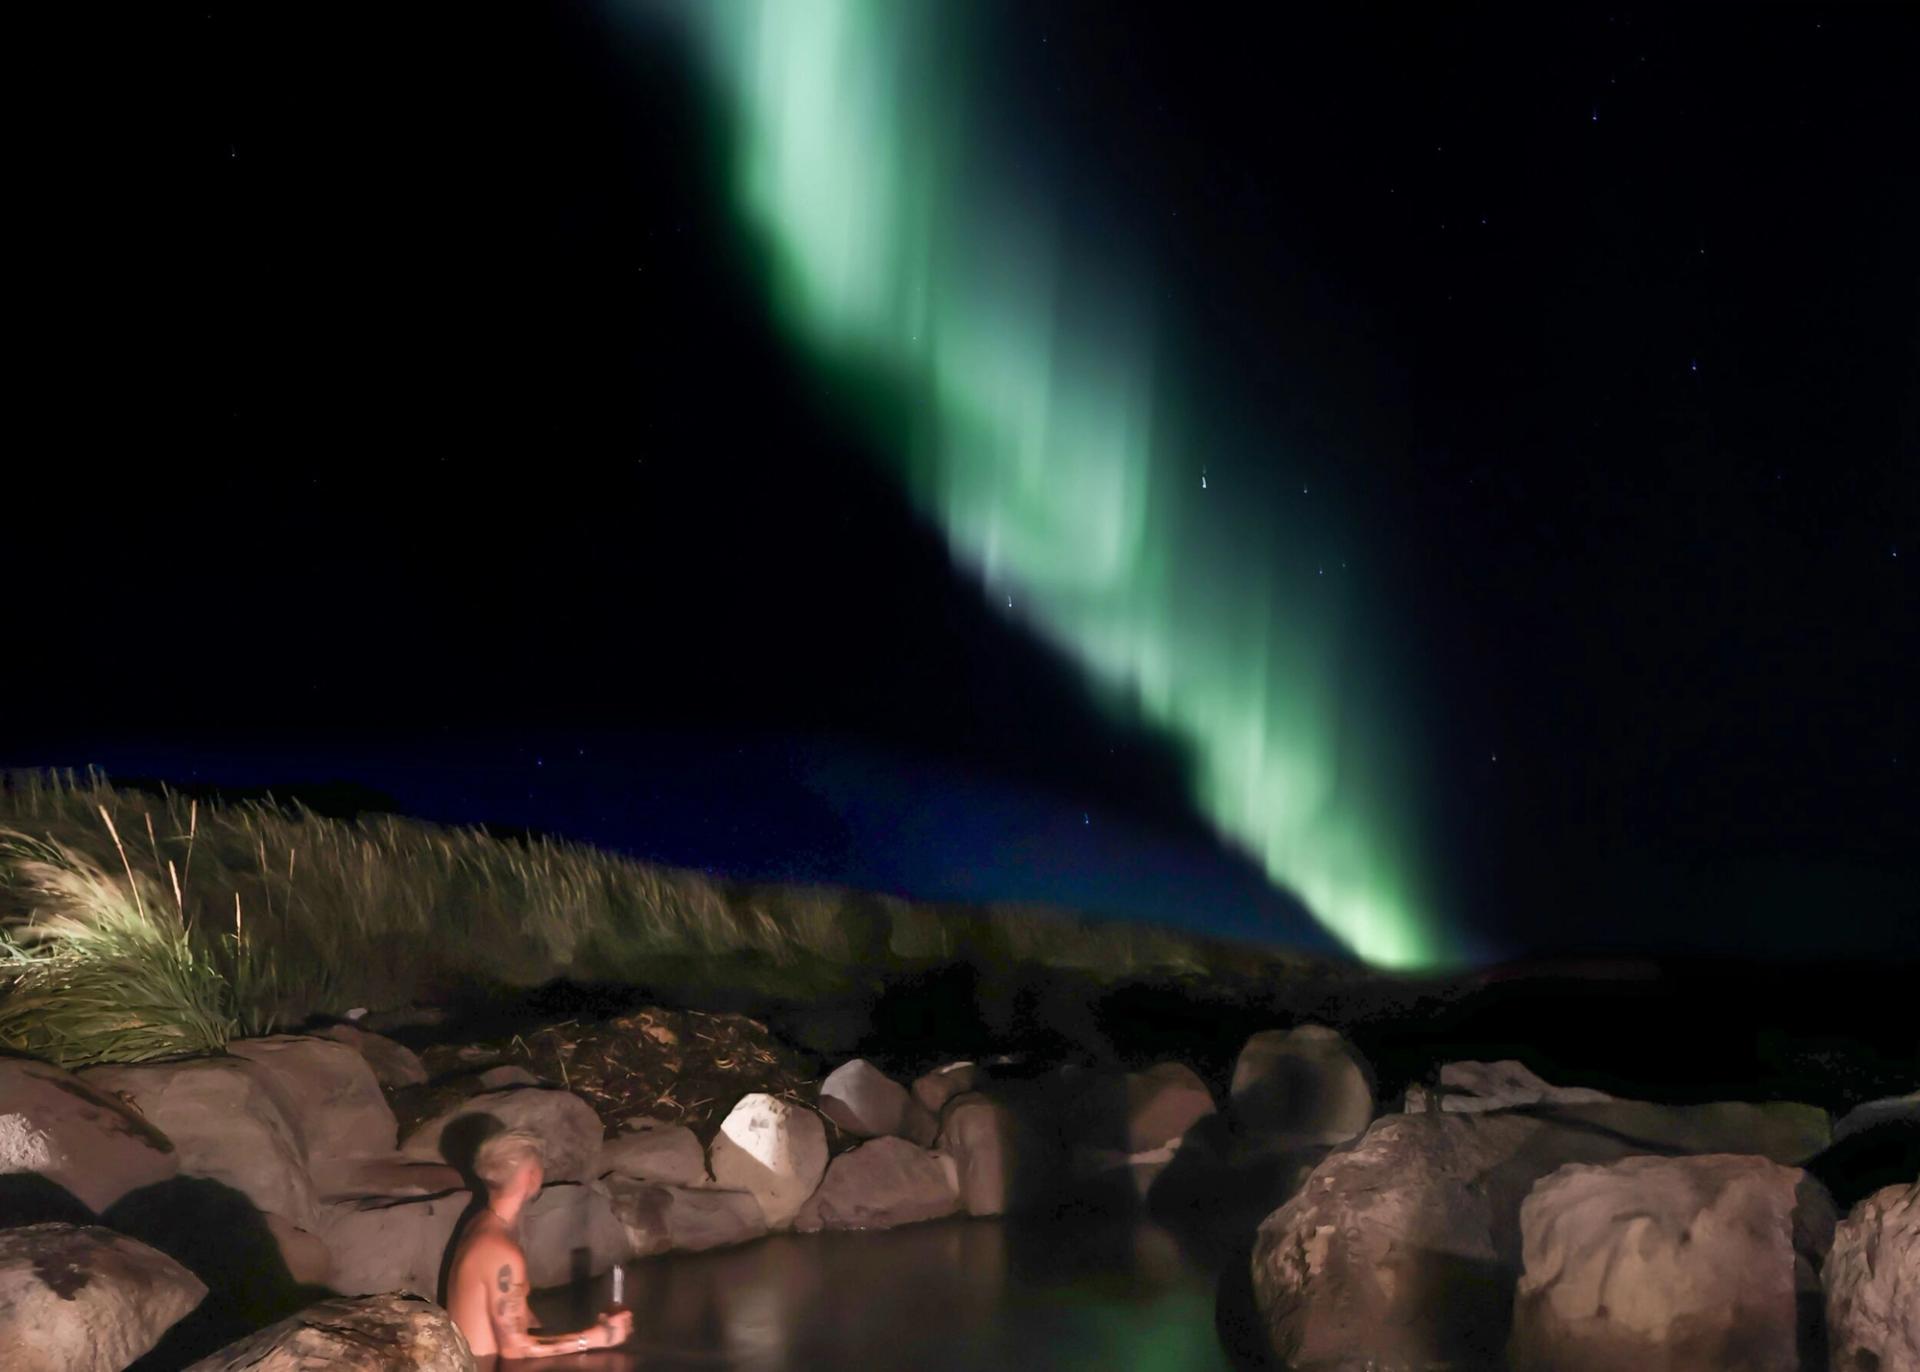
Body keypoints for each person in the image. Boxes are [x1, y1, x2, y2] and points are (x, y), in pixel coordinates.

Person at [446, 1131, 634, 1359]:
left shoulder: (481, 1223)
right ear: (531, 1176)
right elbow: (514, 1349)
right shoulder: (500, 1251)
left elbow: (520, 1323)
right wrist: (596, 1337)